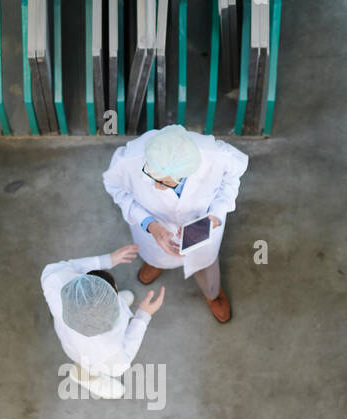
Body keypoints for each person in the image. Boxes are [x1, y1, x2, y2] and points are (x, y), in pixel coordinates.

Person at [102, 124, 248, 323]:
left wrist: (216, 214)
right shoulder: (129, 158)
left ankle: (212, 292)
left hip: (204, 223)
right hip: (153, 225)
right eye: (150, 175)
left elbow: (232, 180)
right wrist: (150, 224)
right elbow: (115, 187)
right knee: (156, 253)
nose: (156, 186)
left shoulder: (215, 155)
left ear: (187, 173)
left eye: (166, 182)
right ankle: (156, 263)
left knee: (206, 263)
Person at [40, 244, 165, 399]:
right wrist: (143, 316)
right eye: (113, 291)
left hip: (68, 335)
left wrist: (107, 260)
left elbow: (69, 266)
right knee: (88, 366)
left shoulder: (54, 279)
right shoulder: (107, 349)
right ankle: (84, 377)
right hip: (87, 357)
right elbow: (123, 360)